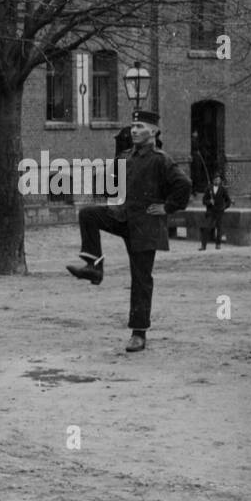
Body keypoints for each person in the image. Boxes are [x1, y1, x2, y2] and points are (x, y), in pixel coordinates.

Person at [66, 108, 193, 351]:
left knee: (141, 279)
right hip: (123, 217)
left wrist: (167, 207)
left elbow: (184, 184)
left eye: (140, 127)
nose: (134, 131)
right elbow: (109, 187)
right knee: (89, 214)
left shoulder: (161, 160)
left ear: (153, 131)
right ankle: (94, 267)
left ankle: (139, 333)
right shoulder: (126, 156)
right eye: (133, 127)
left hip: (145, 225)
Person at [200, 173, 231, 250]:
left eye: (219, 180)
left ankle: (218, 244)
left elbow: (228, 201)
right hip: (210, 211)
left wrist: (224, 207)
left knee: (219, 228)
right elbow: (204, 201)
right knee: (207, 228)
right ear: (213, 180)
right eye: (216, 179)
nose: (217, 181)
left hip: (219, 212)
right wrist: (209, 201)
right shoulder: (208, 189)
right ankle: (203, 246)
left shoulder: (223, 189)